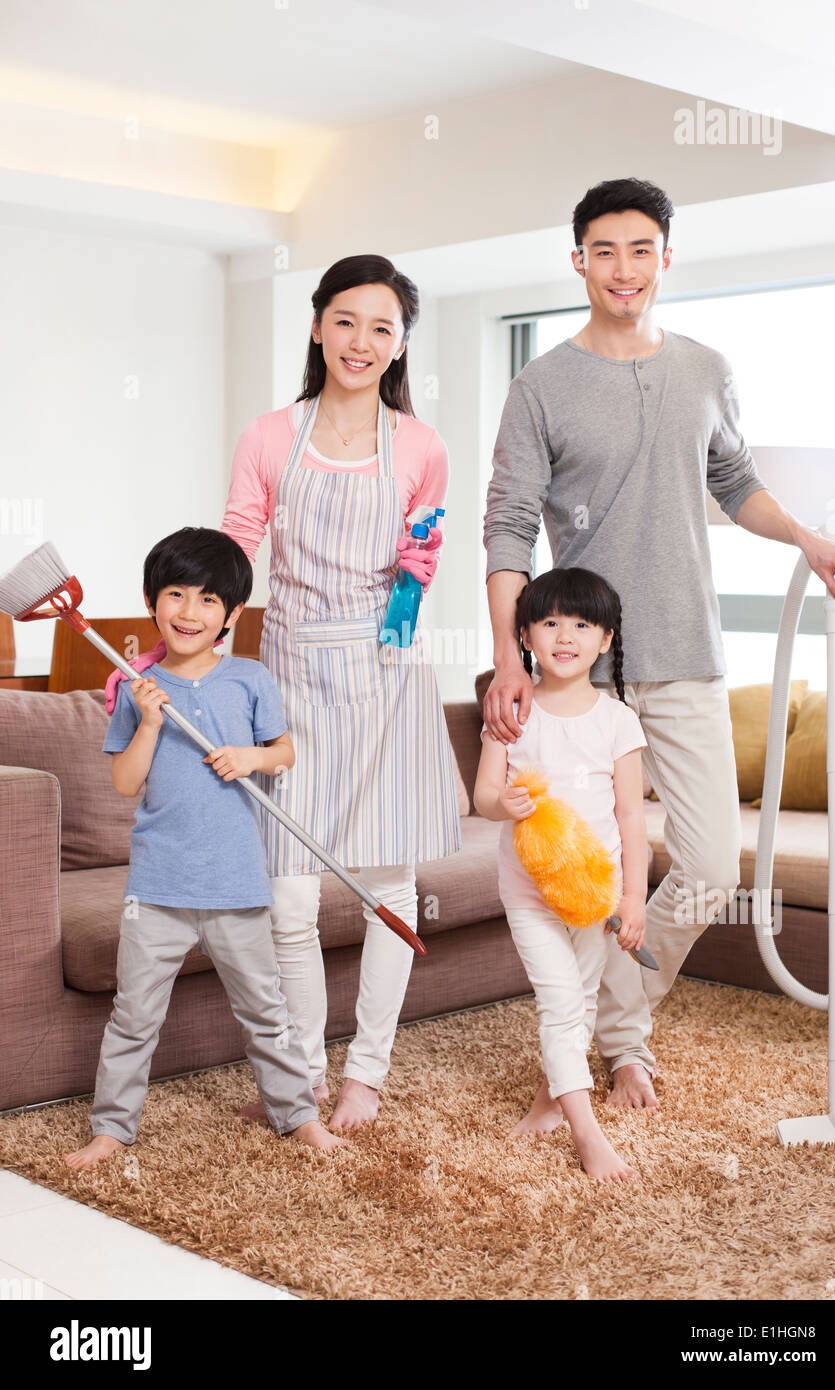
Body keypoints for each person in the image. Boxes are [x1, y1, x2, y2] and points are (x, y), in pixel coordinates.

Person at [482, 177, 835, 1111]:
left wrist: (806, 537)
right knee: (590, 873)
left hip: (690, 653)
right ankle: (616, 1049)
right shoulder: (541, 384)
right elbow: (508, 525)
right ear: (578, 262)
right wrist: (508, 659)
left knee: (711, 866)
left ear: (665, 258)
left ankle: (606, 1027)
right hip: (580, 673)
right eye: (604, 250)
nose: (623, 268)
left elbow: (735, 482)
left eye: (641, 249)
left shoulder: (705, 367)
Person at [222, 255, 461, 1131]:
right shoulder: (268, 436)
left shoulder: (423, 448)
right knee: (288, 894)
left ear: (400, 347)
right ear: (319, 324)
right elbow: (239, 545)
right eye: (348, 321)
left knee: (384, 888)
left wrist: (385, 649)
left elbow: (419, 561)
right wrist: (191, 636)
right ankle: (299, 1073)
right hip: (290, 675)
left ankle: (366, 1072)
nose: (362, 342)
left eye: (384, 328)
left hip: (385, 674)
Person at [65, 527, 342, 1169]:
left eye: (209, 600)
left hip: (235, 883)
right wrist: (152, 722)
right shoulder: (138, 688)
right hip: (157, 887)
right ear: (151, 601)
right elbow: (124, 782)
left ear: (233, 614)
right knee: (133, 1016)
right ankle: (111, 1129)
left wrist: (250, 756)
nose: (190, 611)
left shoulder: (249, 679)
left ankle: (296, 1115)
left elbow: (285, 753)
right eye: (176, 594)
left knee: (266, 1012)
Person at [474, 567, 646, 1181]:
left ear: (605, 639)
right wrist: (504, 805)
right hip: (528, 892)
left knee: (581, 998)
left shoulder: (618, 720)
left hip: (595, 897)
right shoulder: (513, 710)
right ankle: (587, 1135)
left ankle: (551, 1099)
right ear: (525, 635)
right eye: (549, 622)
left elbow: (630, 818)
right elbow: (484, 797)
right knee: (559, 1002)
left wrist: (633, 899)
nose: (564, 636)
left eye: (581, 624)